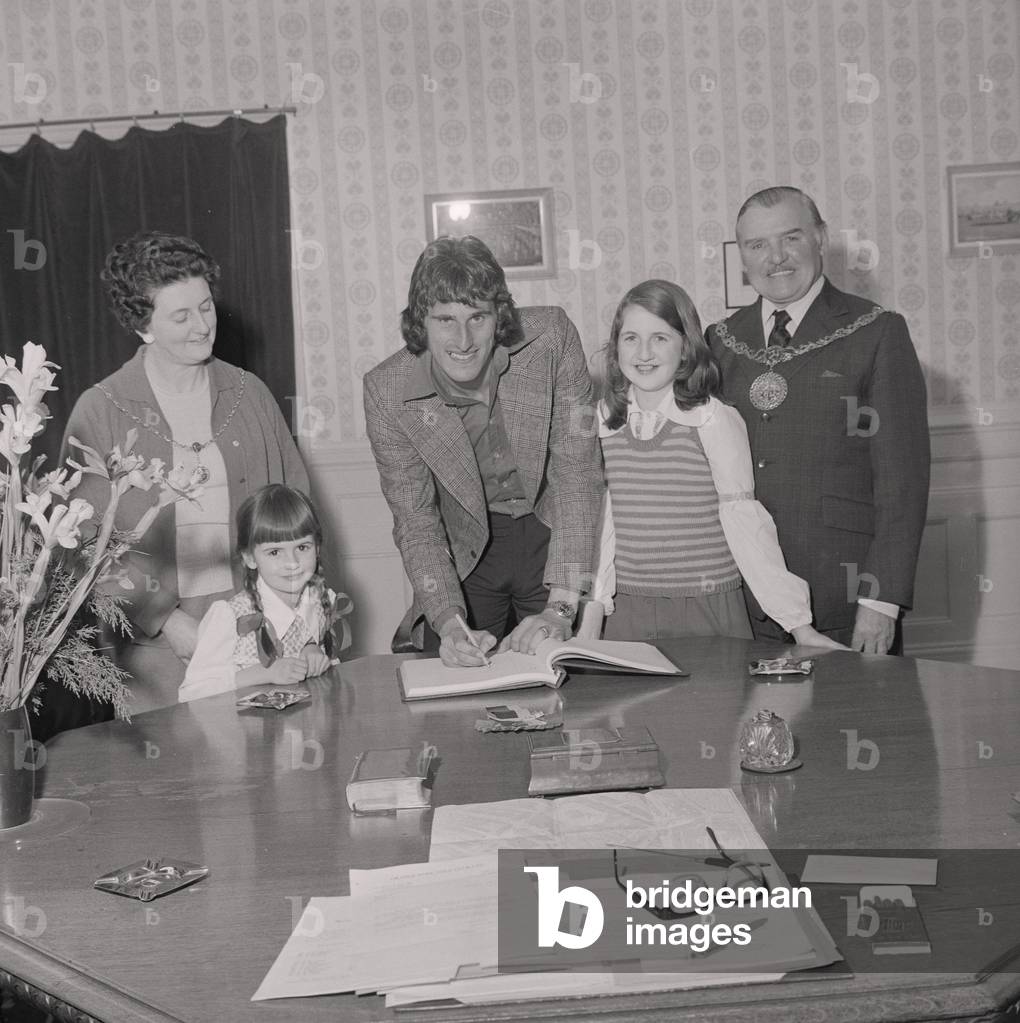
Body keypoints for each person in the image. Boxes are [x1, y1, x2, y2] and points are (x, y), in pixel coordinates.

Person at [61, 232, 309, 711]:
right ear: (143, 327)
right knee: (171, 778)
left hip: (259, 630)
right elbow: (83, 543)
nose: (202, 326)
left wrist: (306, 616)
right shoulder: (101, 409)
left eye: (207, 307)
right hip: (155, 648)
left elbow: (297, 509)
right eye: (181, 315)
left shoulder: (247, 393)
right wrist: (165, 619)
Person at [707, 187, 930, 652]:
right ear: (742, 257)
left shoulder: (877, 331)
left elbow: (902, 483)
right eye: (757, 245)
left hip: (843, 595)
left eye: (791, 238)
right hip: (741, 596)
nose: (776, 258)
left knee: (853, 725)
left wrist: (881, 601)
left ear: (821, 239)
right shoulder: (721, 341)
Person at [363, 235, 603, 667]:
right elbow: (416, 521)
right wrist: (450, 623)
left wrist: (562, 608)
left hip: (550, 530)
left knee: (564, 678)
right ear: (421, 321)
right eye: (444, 320)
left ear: (500, 314)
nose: (463, 339)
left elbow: (576, 472)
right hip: (467, 546)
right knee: (462, 687)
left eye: (478, 317)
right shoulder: (386, 391)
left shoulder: (551, 339)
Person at [591, 279, 840, 648]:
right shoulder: (604, 420)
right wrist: (592, 616)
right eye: (631, 338)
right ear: (616, 348)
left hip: (708, 606)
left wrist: (798, 624)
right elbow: (603, 525)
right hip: (627, 610)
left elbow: (744, 521)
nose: (644, 352)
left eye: (660, 338)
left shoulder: (712, 419)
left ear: (686, 347)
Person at [179, 485, 348, 703]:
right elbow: (192, 692)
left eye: (302, 547)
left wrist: (316, 657)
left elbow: (329, 679)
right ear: (249, 557)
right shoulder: (231, 617)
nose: (292, 563)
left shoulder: (318, 601)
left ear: (317, 548)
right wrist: (263, 673)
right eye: (275, 552)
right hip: (244, 731)